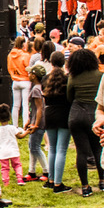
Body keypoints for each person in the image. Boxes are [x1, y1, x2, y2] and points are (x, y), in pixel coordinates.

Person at [66, 47, 103, 196]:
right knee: (98, 150)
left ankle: (85, 186)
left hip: (76, 115)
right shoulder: (100, 76)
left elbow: (69, 97)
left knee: (81, 152)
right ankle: (102, 181)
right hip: (94, 114)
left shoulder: (73, 78)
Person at [43, 51, 72, 191]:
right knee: (61, 149)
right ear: (64, 62)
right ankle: (58, 183)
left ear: (51, 62)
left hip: (49, 113)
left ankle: (51, 179)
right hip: (64, 113)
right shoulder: (67, 79)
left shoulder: (45, 79)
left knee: (52, 148)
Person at [0, 102, 28, 187]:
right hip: (13, 151)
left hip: (3, 152)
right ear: (9, 117)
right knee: (17, 165)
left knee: (5, 168)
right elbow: (20, 136)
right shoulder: (13, 128)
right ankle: (20, 179)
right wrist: (27, 132)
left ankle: (6, 182)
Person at [7, 38, 31, 127]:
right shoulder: (26, 55)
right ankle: (25, 125)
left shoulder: (10, 55)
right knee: (25, 105)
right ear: (23, 44)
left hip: (15, 80)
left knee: (15, 105)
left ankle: (15, 125)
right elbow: (28, 68)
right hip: (25, 80)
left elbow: (9, 68)